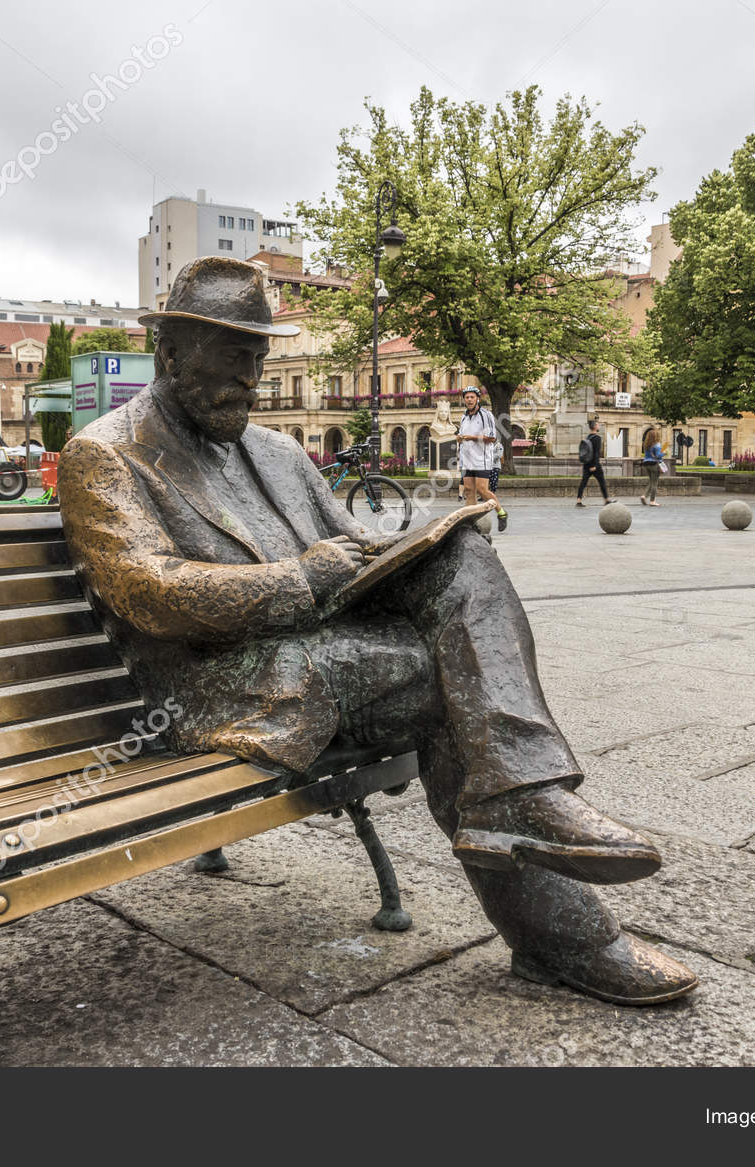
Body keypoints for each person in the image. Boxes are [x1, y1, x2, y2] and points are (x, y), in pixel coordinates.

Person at [61, 257, 696, 1005]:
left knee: (462, 563)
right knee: (454, 689)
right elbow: (151, 593)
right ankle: (561, 919)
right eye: (233, 358)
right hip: (215, 687)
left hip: (324, 658)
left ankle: (526, 808)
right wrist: (303, 579)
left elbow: (353, 546)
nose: (252, 378)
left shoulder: (276, 452)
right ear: (169, 353)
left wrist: (412, 547)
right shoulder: (104, 454)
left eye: (258, 358)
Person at [456, 386, 505, 530]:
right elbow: (462, 436)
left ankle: (501, 513)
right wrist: (459, 439)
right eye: (467, 397)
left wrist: (471, 437)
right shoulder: (464, 417)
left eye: (472, 397)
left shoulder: (485, 415)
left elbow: (492, 438)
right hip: (467, 460)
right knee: (468, 490)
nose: (469, 400)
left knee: (482, 490)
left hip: (481, 459)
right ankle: (470, 524)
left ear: (477, 399)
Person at [575, 418, 612, 507]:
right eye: (598, 424)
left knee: (583, 482)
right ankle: (607, 500)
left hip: (586, 464)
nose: (599, 426)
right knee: (602, 482)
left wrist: (589, 464)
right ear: (595, 426)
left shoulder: (588, 437)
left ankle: (578, 500)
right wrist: (594, 465)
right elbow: (596, 453)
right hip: (594, 465)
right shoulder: (597, 438)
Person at [639, 434, 668, 506]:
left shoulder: (646, 445)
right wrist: (664, 452)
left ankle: (644, 496)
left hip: (646, 464)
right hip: (654, 464)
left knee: (651, 482)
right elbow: (658, 455)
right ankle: (652, 501)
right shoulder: (657, 445)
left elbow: (646, 455)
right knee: (655, 483)